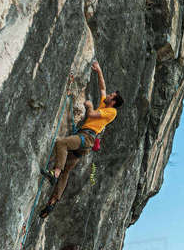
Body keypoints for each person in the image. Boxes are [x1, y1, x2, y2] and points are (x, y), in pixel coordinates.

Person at [39, 61, 124, 218]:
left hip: (87, 138)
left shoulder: (111, 112)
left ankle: (54, 173)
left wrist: (89, 106)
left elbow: (91, 115)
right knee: (67, 171)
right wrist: (98, 70)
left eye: (111, 96)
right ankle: (52, 202)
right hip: (84, 141)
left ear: (113, 102)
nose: (108, 95)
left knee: (61, 143)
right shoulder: (105, 104)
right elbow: (103, 87)